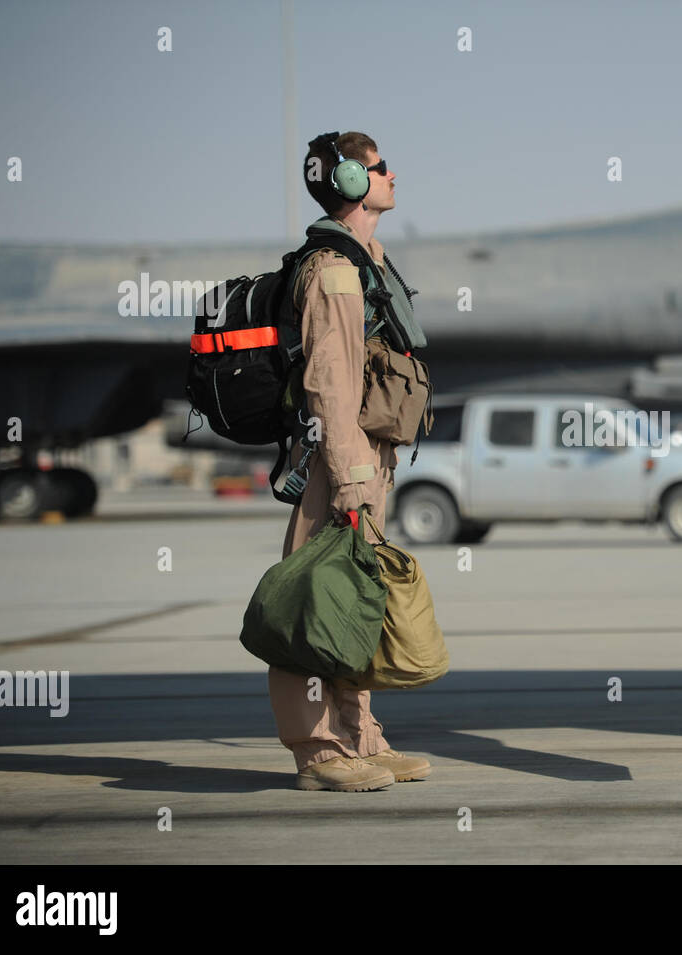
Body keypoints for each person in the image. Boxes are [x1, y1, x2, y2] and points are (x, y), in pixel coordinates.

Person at [267, 131, 432, 792]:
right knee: (315, 604)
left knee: (356, 601)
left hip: (368, 453)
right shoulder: (334, 269)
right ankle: (317, 750)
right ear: (355, 183)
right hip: (343, 458)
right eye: (380, 167)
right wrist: (350, 472)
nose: (393, 174)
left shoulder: (366, 260)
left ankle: (360, 736)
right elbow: (329, 383)